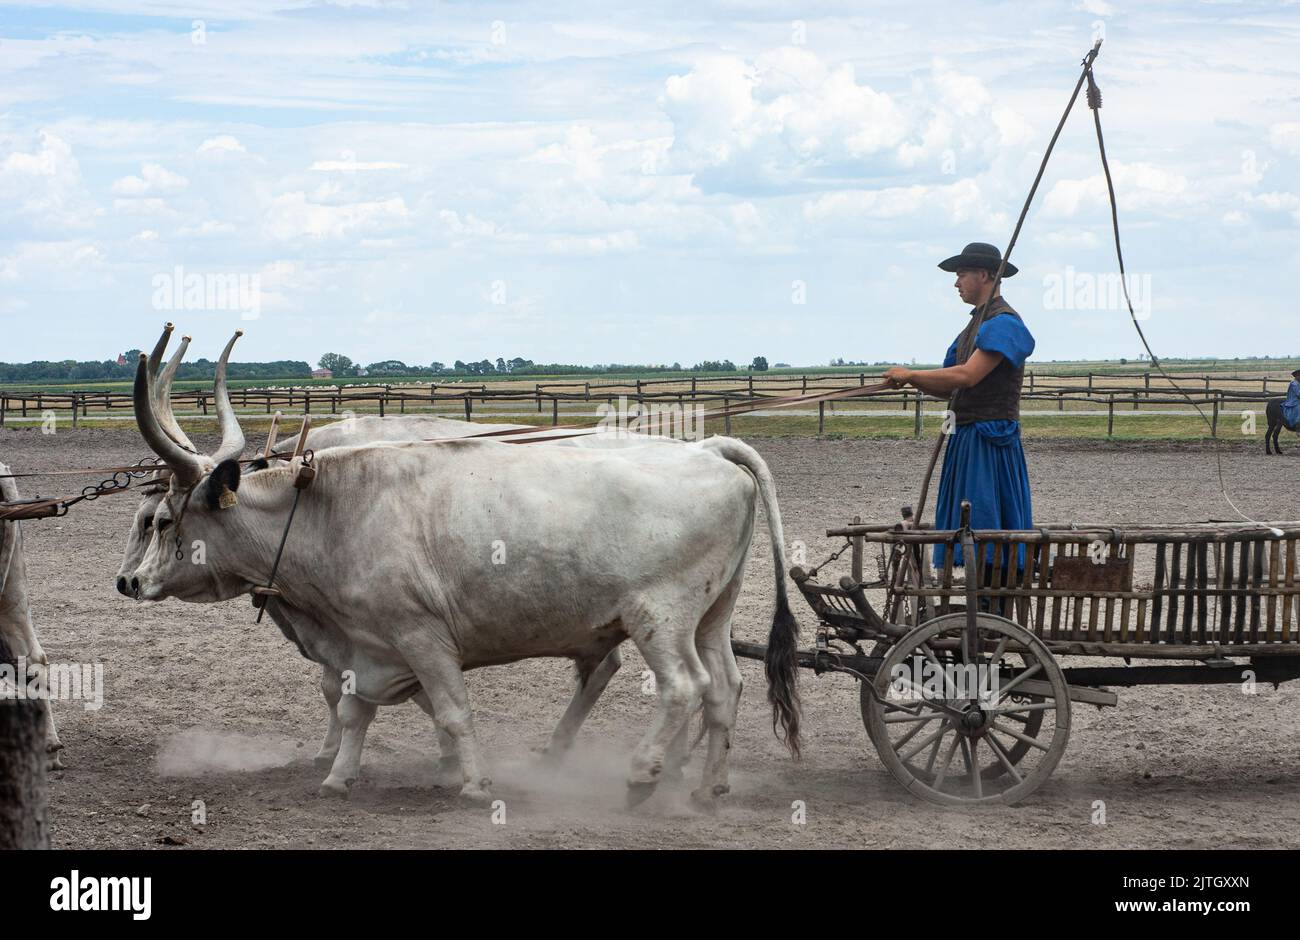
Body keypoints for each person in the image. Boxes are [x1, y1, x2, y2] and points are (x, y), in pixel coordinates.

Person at [883, 242, 1035, 572]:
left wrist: (910, 374)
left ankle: (990, 592)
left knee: (985, 525)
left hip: (988, 441)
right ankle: (977, 590)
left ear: (984, 275)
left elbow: (967, 375)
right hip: (966, 438)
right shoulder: (973, 328)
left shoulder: (1005, 324)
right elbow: (949, 384)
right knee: (964, 525)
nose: (956, 283)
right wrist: (912, 380)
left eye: (961, 275)